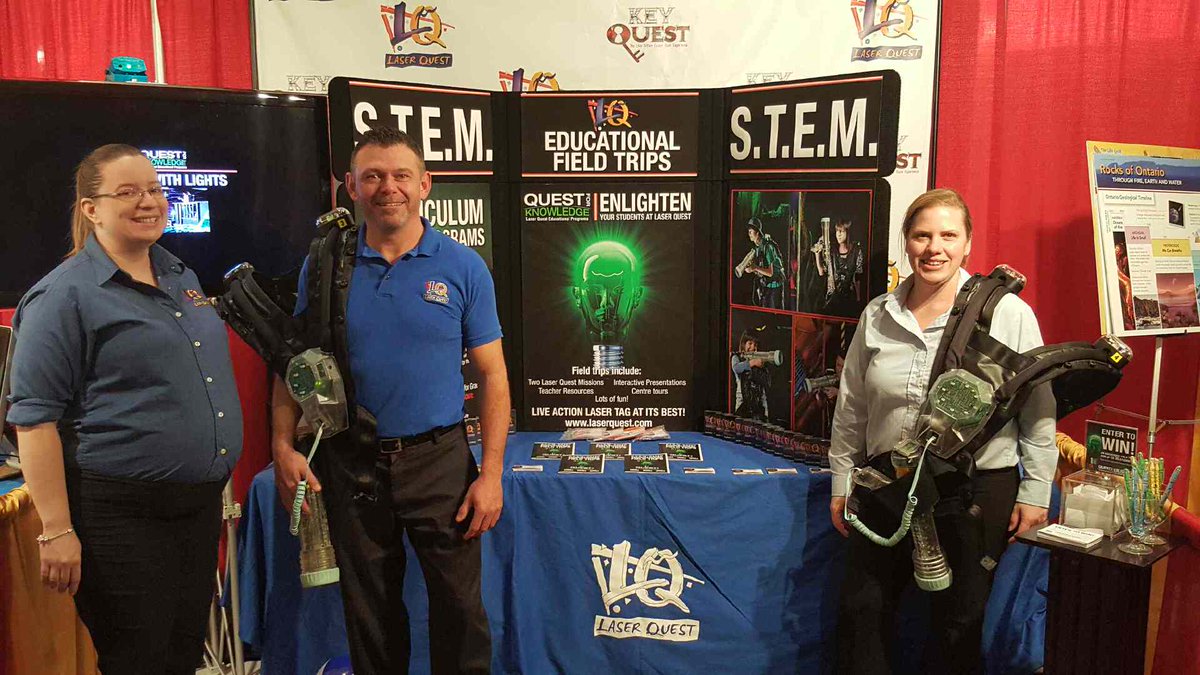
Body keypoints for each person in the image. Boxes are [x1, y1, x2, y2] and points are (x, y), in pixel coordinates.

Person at [270, 127, 510, 674]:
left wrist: (492, 473)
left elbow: (493, 375)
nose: (387, 187)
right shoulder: (324, 265)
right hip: (352, 462)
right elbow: (293, 363)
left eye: (401, 175)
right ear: (351, 186)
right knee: (371, 616)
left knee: (460, 613)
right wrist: (282, 445)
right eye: (372, 176)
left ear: (424, 184)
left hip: (441, 464)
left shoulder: (462, 266)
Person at [6, 144, 243, 674]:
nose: (148, 202)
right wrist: (57, 530)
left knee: (181, 657)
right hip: (121, 517)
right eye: (129, 192)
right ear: (91, 209)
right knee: (138, 661)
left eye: (155, 190)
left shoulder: (179, 274)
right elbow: (34, 420)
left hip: (195, 509)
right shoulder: (63, 296)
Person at [828, 188, 1055, 674]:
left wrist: (1036, 490)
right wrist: (842, 481)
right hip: (887, 481)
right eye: (922, 235)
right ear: (906, 241)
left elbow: (1038, 409)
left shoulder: (1007, 314)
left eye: (948, 236)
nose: (934, 248)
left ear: (968, 243)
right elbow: (852, 408)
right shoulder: (878, 314)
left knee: (958, 622)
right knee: (863, 609)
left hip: (975, 488)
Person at [814, 220, 864, 315]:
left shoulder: (856, 251)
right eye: (837, 231)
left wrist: (858, 299)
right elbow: (821, 271)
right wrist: (817, 253)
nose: (839, 234)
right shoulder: (832, 251)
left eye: (842, 231)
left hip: (850, 299)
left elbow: (858, 276)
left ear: (848, 232)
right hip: (832, 299)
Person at [742, 218, 785, 309]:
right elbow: (762, 270)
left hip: (774, 288)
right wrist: (753, 269)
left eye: (751, 231)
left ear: (757, 232)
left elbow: (770, 272)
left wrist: (755, 268)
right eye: (748, 232)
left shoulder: (768, 246)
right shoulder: (757, 248)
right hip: (766, 287)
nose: (749, 234)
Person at [730, 332, 771, 420]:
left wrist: (766, 412)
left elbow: (763, 389)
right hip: (742, 404)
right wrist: (752, 363)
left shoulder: (760, 364)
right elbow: (736, 368)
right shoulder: (737, 357)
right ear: (743, 344)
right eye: (750, 343)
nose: (752, 347)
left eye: (755, 345)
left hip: (758, 407)